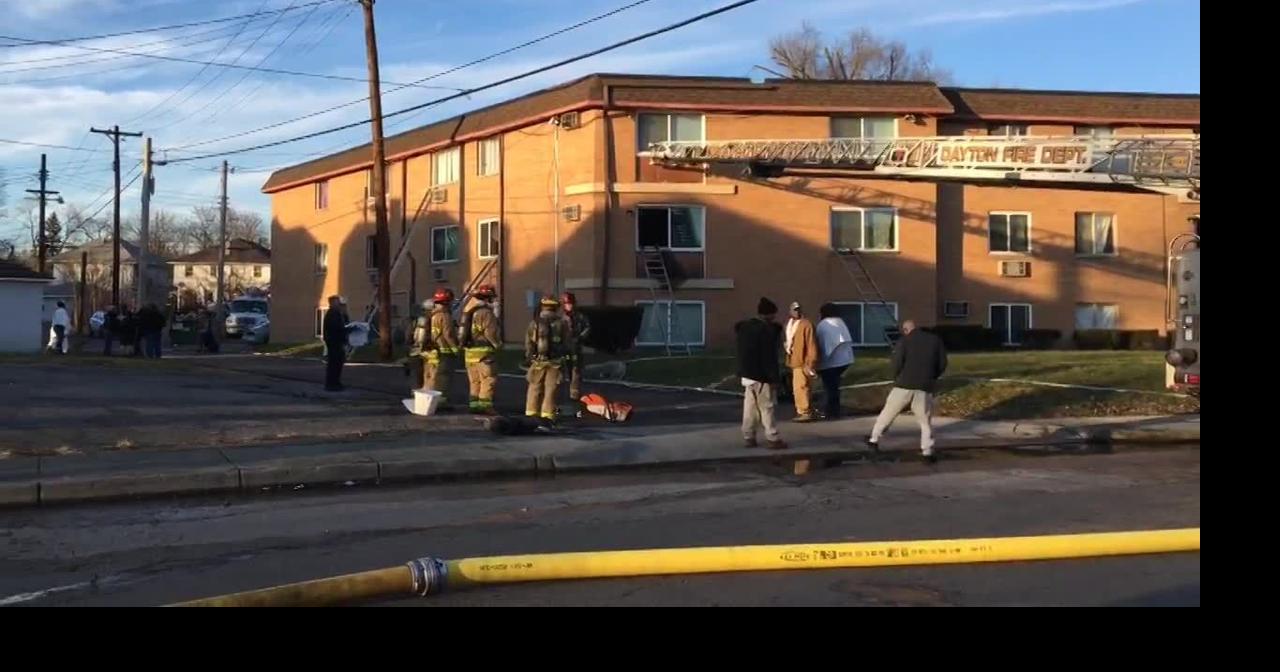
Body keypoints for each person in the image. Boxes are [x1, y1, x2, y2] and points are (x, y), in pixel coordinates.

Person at [866, 319, 948, 464]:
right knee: (924, 421)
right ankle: (927, 451)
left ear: (906, 330)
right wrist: (932, 377)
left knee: (888, 414)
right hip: (924, 386)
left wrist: (895, 377)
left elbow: (897, 362)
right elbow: (942, 363)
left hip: (903, 385)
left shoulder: (904, 341)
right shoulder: (935, 340)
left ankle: (874, 440)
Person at [736, 297, 787, 450]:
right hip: (761, 376)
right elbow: (768, 357)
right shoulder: (766, 331)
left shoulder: (745, 328)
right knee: (766, 407)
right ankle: (773, 437)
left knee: (750, 408)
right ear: (769, 314)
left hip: (746, 374)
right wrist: (774, 378)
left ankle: (749, 436)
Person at [525, 295, 569, 423]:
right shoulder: (562, 323)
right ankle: (548, 417)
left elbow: (529, 342)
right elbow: (567, 343)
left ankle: (531, 415)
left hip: (538, 361)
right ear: (556, 308)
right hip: (555, 362)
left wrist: (530, 356)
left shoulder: (534, 323)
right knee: (550, 390)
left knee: (534, 388)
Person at [413, 288, 459, 408]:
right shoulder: (445, 316)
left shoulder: (430, 315)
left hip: (428, 351)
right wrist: (455, 349)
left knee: (428, 377)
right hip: (441, 351)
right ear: (447, 302)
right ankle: (440, 403)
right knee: (441, 379)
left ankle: (426, 402)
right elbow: (448, 335)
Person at [460, 284, 500, 414]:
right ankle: (485, 406)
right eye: (492, 299)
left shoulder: (469, 311)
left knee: (474, 381)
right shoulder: (486, 313)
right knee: (488, 380)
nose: (494, 301)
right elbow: (490, 333)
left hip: (469, 352)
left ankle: (474, 405)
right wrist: (498, 345)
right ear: (488, 298)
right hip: (483, 353)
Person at [815, 303, 855, 419]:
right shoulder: (840, 322)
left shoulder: (823, 325)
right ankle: (835, 410)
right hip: (845, 360)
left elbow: (821, 343)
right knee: (834, 387)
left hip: (830, 362)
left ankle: (831, 412)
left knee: (830, 388)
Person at [784, 302, 819, 422]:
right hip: (794, 360)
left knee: (801, 387)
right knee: (799, 387)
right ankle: (805, 410)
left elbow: (811, 344)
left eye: (798, 310)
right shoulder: (790, 324)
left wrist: (810, 362)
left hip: (803, 361)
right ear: (790, 311)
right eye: (794, 310)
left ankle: (805, 411)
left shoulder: (806, 324)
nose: (796, 312)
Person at [560, 291, 590, 403]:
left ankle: (574, 393)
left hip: (576, 347)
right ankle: (561, 393)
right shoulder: (561, 318)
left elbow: (587, 327)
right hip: (564, 348)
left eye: (570, 303)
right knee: (564, 369)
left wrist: (580, 337)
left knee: (576, 370)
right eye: (567, 303)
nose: (569, 306)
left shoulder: (580, 316)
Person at [323, 295, 353, 392]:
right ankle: (331, 384)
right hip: (333, 342)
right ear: (332, 303)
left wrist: (345, 314)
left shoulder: (338, 313)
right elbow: (336, 328)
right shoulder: (331, 314)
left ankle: (336, 382)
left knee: (339, 363)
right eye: (337, 302)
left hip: (338, 342)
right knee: (333, 364)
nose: (338, 304)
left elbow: (344, 324)